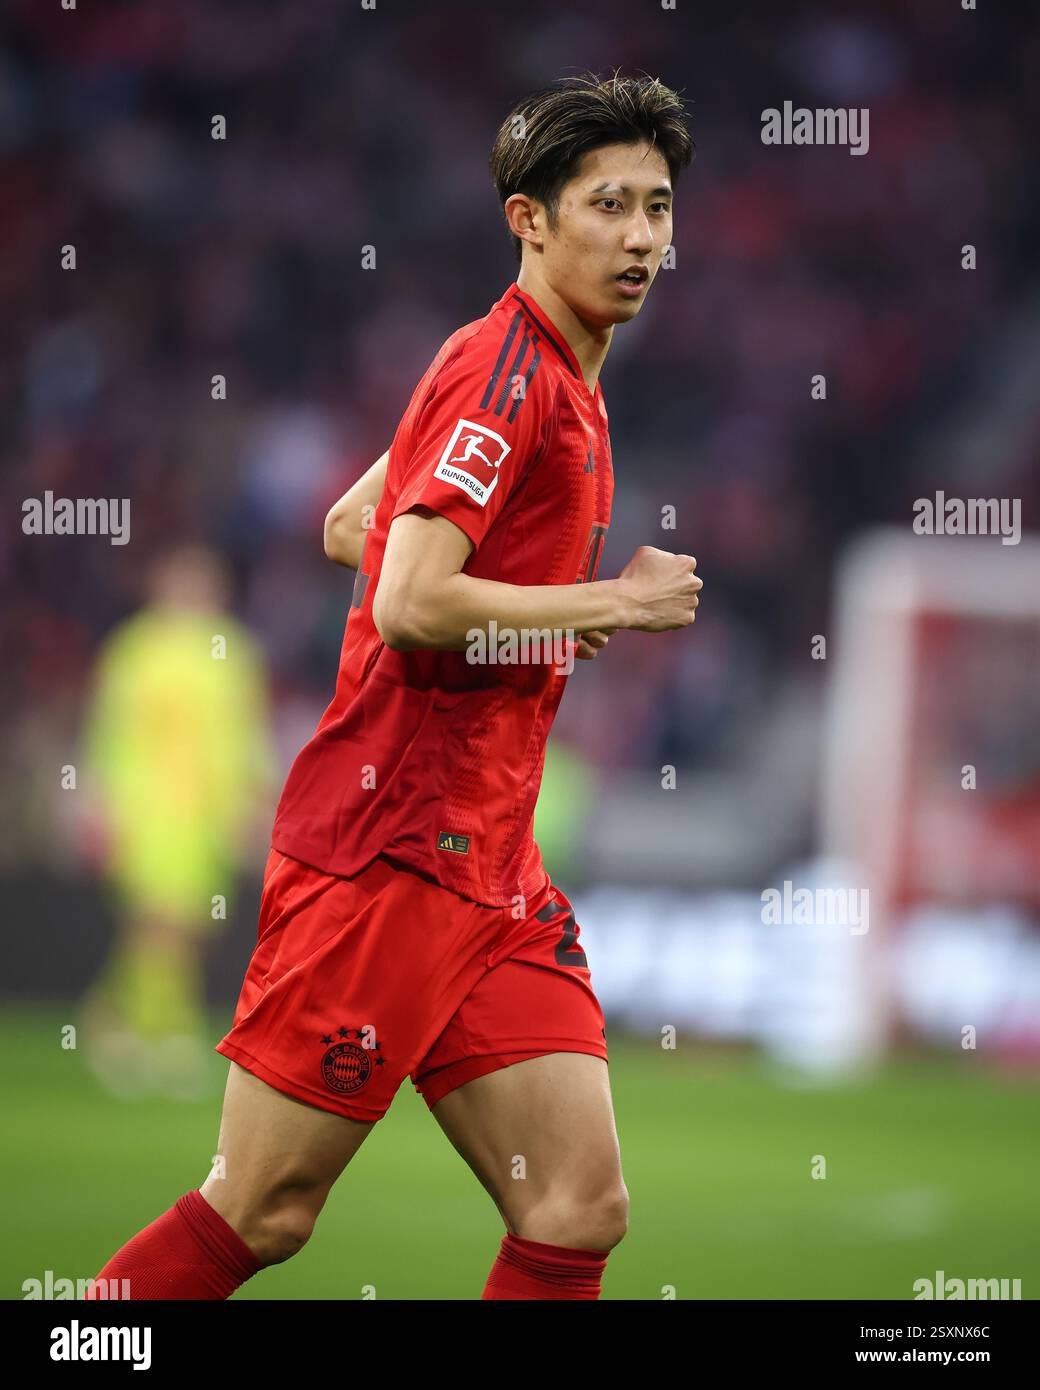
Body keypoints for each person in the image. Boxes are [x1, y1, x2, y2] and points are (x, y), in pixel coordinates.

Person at [85, 69, 701, 1301]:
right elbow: (410, 597)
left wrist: (517, 618)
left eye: (657, 205)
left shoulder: (549, 369)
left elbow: (349, 521)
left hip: (491, 866)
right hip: (387, 855)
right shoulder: (505, 376)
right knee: (262, 1211)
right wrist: (604, 604)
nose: (640, 237)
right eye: (605, 206)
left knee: (575, 1207)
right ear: (528, 220)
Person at [79, 543, 276, 1101]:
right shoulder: (135, 650)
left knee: (186, 929)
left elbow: (246, 735)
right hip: (146, 807)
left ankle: (109, 1019)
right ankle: (168, 1037)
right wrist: (99, 804)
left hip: (207, 813)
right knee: (160, 920)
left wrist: (253, 800)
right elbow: (109, 733)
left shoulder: (233, 653)